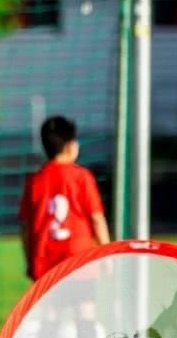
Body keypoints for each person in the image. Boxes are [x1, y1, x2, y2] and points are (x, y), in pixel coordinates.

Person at [19, 115, 112, 281]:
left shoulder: (35, 180)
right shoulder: (82, 177)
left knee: (52, 299)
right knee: (84, 299)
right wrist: (108, 256)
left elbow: (25, 227)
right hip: (79, 261)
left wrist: (29, 261)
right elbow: (97, 219)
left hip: (45, 262)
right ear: (70, 146)